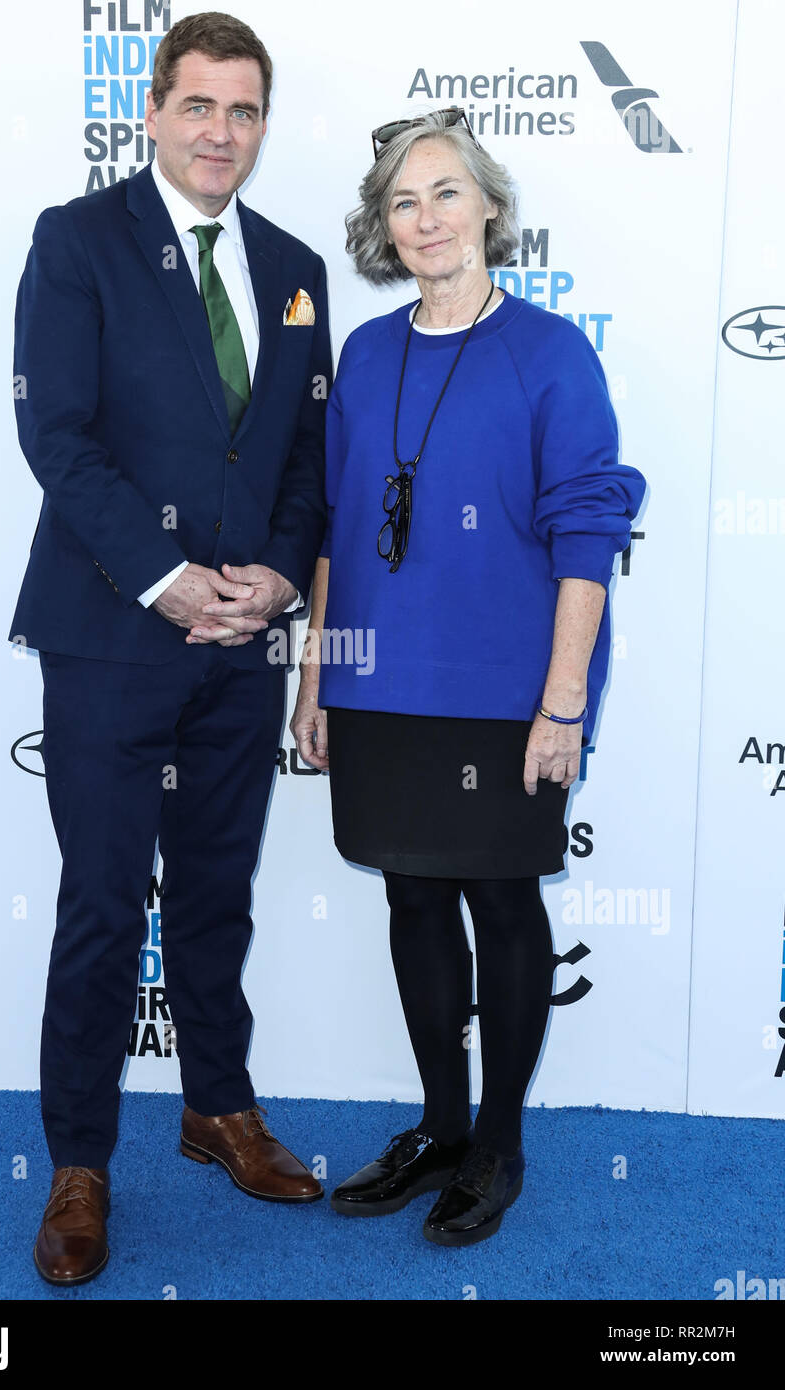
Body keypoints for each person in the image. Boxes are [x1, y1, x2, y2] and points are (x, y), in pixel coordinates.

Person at [10, 11, 332, 1286]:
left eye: (243, 111)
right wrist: (162, 580)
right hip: (110, 637)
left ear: (262, 124)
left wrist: (269, 592)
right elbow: (59, 437)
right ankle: (81, 1163)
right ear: (151, 111)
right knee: (102, 904)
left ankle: (217, 1108)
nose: (220, 132)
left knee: (215, 891)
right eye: (198, 106)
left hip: (242, 648)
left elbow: (305, 461)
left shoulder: (296, 264)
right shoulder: (77, 241)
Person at [291, 108, 646, 1247]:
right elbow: (339, 528)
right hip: (378, 685)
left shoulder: (550, 353)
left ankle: (498, 1145)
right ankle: (440, 1126)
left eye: (446, 192)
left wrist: (563, 702)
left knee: (500, 903)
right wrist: (314, 678)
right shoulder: (366, 353)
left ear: (489, 204)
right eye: (403, 200)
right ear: (382, 229)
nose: (426, 217)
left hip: (504, 694)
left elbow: (587, 533)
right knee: (408, 897)